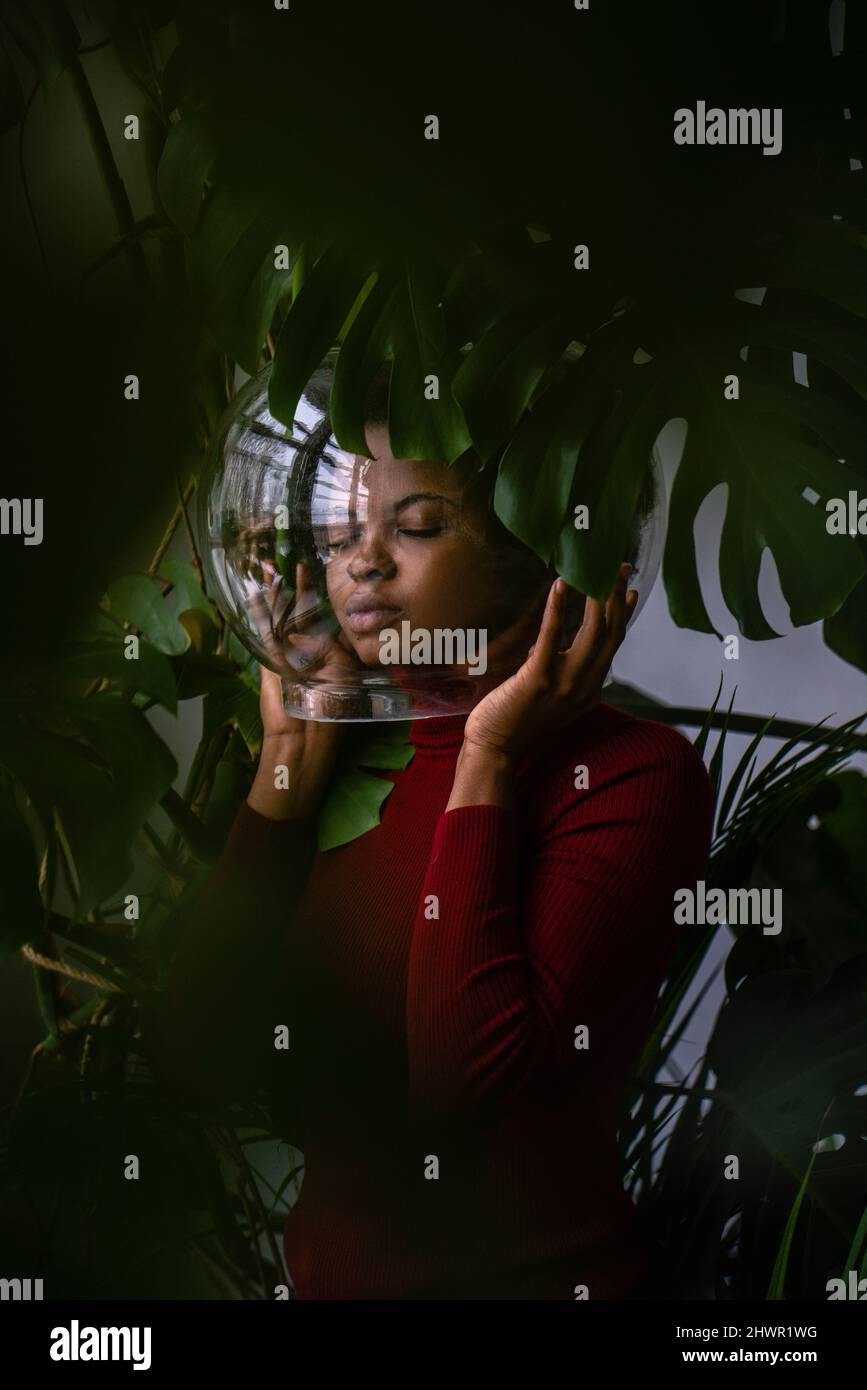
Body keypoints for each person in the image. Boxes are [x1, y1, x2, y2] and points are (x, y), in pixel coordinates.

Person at [152, 379, 713, 1301]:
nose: (360, 565)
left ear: (522, 551)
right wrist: (289, 751)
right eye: (339, 538)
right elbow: (192, 1060)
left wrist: (485, 753)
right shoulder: (343, 750)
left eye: (413, 527)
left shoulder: (629, 774)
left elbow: (463, 1090)